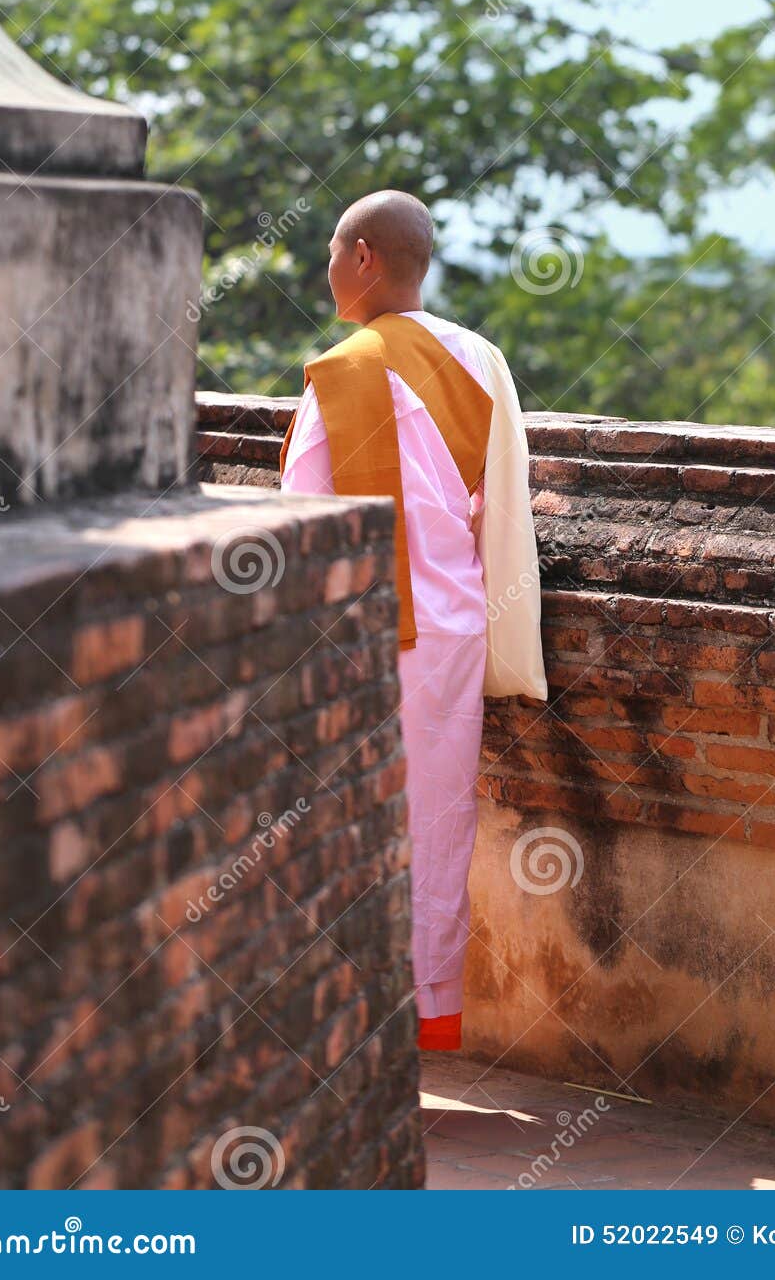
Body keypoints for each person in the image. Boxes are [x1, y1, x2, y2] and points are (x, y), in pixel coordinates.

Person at [280, 190, 546, 1051]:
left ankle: (350, 1023)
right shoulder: (481, 360)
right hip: (456, 630)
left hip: (364, 638)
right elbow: (504, 512)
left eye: (328, 253)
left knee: (346, 823)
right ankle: (421, 1011)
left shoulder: (345, 370)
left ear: (361, 256)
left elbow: (300, 530)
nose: (326, 272)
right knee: (434, 823)